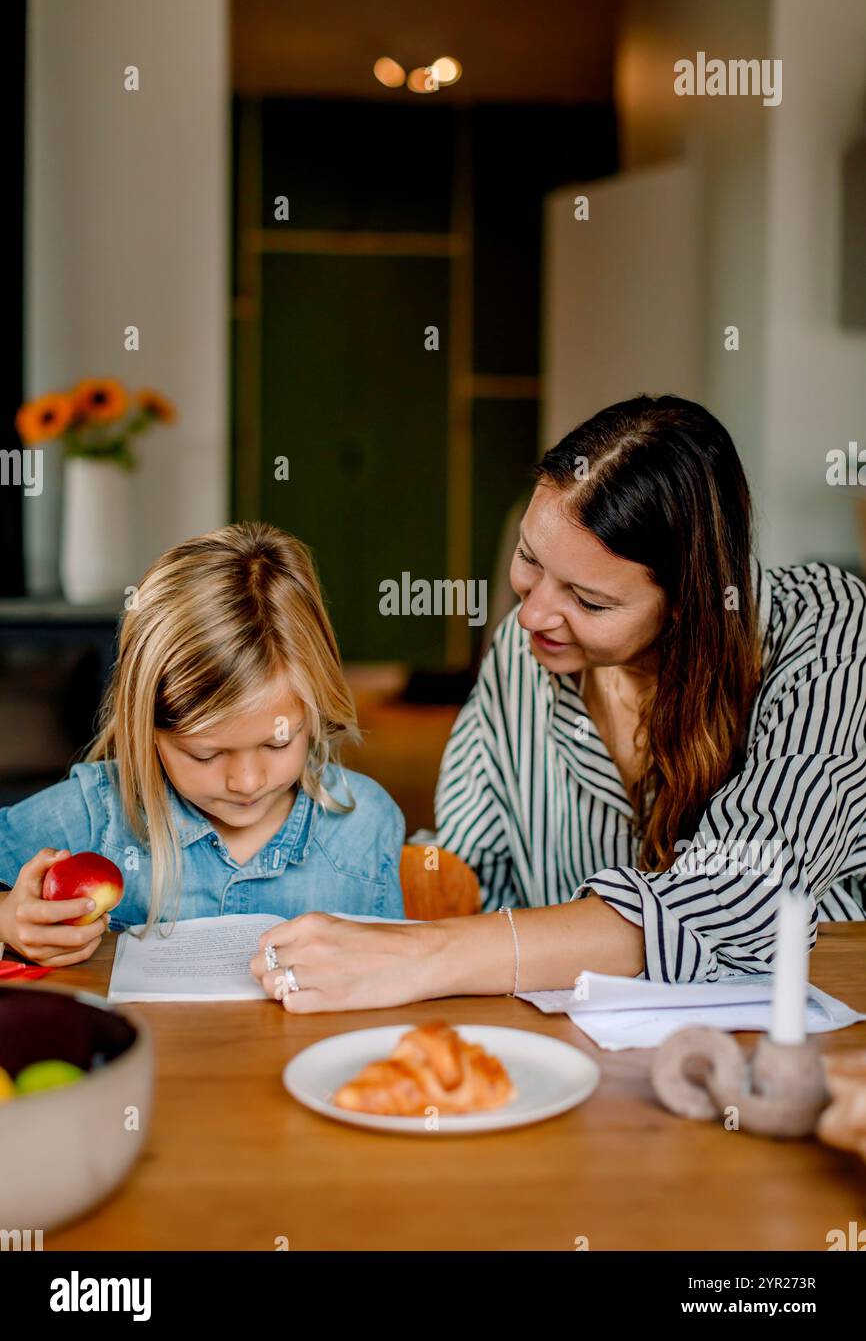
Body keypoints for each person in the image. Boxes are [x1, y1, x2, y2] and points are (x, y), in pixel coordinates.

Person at [249, 395, 866, 1010]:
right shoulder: (527, 659)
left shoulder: (828, 632)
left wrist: (422, 956)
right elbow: (470, 877)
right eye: (529, 559)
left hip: (810, 1045)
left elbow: (741, 893)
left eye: (590, 601)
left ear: (687, 601)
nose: (533, 615)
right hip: (578, 1053)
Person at [0, 523, 405, 967]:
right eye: (206, 754)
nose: (247, 781)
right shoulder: (96, 814)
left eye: (277, 743)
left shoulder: (366, 825)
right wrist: (8, 920)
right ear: (147, 729)